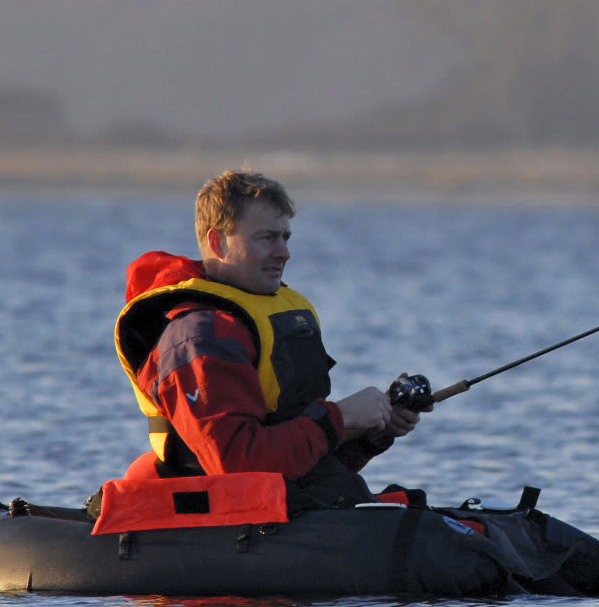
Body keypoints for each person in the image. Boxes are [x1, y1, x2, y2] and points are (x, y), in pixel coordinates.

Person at [109, 169, 419, 510]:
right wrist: (342, 417)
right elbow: (239, 466)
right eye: (267, 238)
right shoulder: (199, 335)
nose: (283, 252)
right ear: (218, 243)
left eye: (286, 238)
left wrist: (370, 434)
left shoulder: (267, 314)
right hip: (223, 521)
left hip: (285, 513)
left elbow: (296, 462)